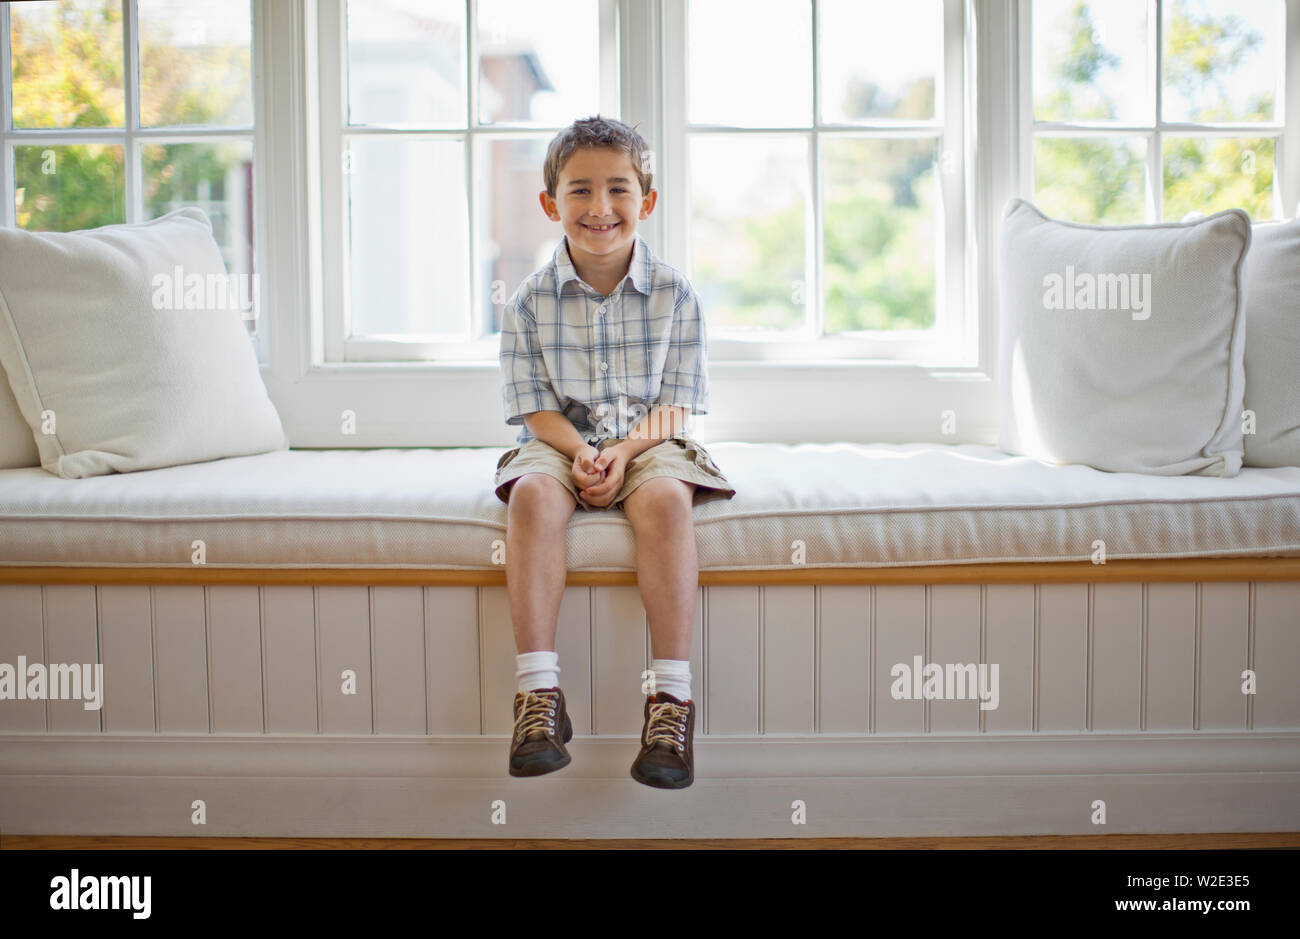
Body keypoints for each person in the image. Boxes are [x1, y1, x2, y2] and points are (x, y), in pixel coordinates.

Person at [493, 115, 737, 789]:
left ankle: (671, 699)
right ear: (551, 204)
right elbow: (534, 404)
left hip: (650, 437)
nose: (600, 208)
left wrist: (626, 451)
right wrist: (578, 452)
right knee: (535, 494)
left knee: (663, 498)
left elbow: (678, 403)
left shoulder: (674, 293)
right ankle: (538, 694)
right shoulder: (528, 303)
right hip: (557, 438)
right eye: (579, 191)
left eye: (618, 189)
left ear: (647, 201)